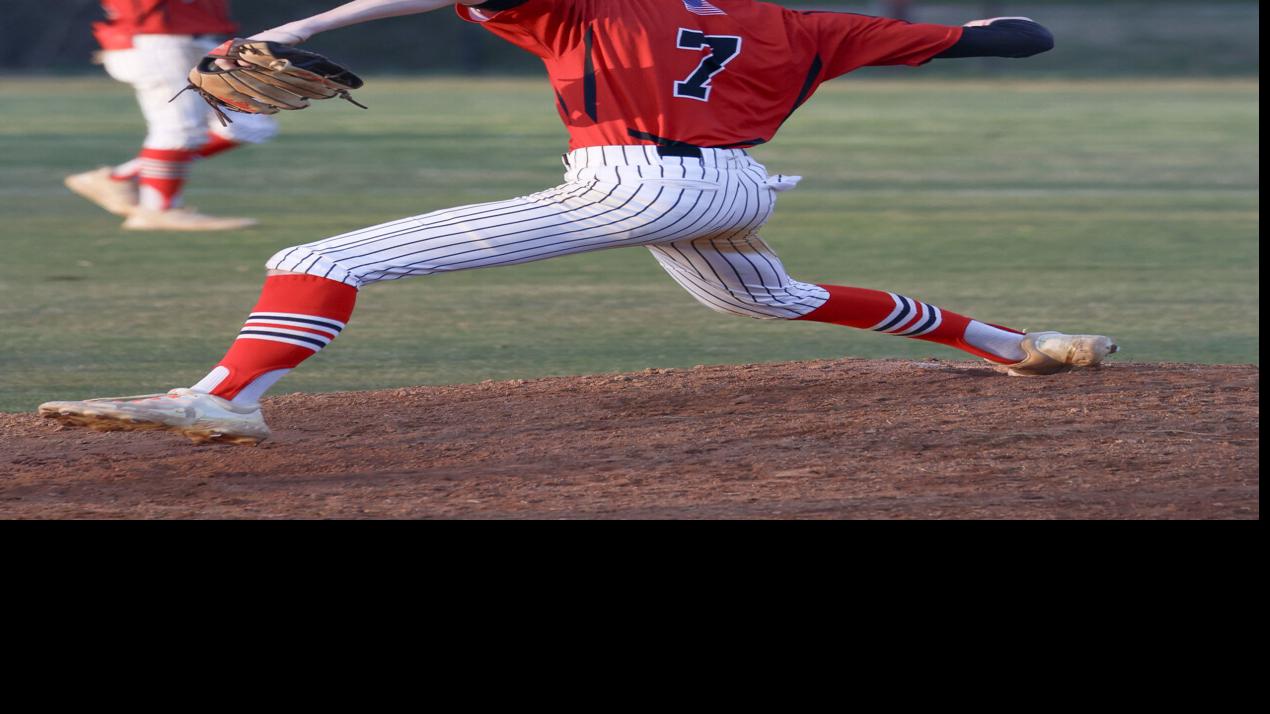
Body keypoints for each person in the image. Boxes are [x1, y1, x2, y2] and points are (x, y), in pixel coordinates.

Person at [40, 0, 1116, 445]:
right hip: (736, 182)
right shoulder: (790, 21)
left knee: (314, 255)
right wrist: (981, 28)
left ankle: (225, 400)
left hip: (634, 180)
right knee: (776, 298)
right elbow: (1010, 36)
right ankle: (1019, 346)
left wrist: (298, 25)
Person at [64, 0, 274, 231]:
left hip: (191, 36)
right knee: (179, 130)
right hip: (156, 41)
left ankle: (120, 178)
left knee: (248, 125)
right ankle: (157, 210)